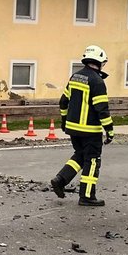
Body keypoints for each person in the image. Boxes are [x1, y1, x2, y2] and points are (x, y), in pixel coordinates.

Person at [50, 45, 114, 207]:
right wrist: (109, 130)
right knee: (92, 160)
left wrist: (64, 122)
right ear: (99, 62)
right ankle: (87, 196)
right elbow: (102, 109)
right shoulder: (97, 81)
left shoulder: (75, 76)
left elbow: (63, 101)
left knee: (80, 155)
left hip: (73, 129)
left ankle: (60, 179)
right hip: (90, 130)